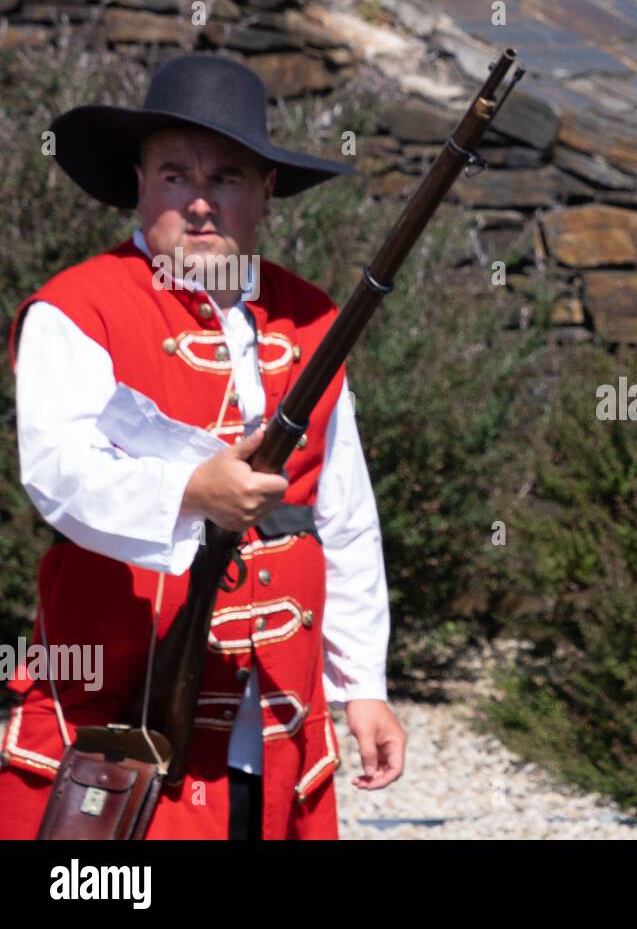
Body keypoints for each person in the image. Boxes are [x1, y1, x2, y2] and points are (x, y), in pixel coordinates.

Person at [0, 53, 406, 839]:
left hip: (274, 706)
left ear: (265, 193)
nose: (199, 203)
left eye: (225, 178)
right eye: (176, 175)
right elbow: (58, 475)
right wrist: (190, 495)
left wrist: (362, 685)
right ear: (140, 185)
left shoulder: (314, 317)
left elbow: (343, 514)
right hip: (122, 695)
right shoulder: (74, 309)